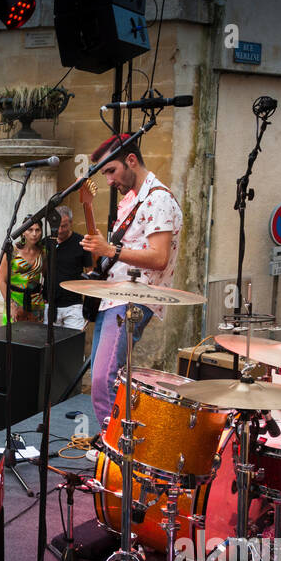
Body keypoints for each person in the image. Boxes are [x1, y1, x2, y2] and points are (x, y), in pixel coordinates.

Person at [80, 134, 182, 430]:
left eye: (111, 171)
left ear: (132, 160)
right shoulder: (131, 201)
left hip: (133, 299)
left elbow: (159, 257)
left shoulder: (158, 198)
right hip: (114, 296)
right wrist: (103, 250)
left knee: (103, 379)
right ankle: (118, 448)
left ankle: (120, 458)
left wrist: (110, 249)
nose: (109, 180)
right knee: (105, 379)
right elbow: (114, 257)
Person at [47, 205, 92, 330]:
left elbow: (90, 272)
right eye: (57, 226)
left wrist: (90, 304)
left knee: (73, 344)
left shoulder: (81, 242)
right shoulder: (48, 241)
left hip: (74, 306)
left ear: (71, 223)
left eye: (64, 226)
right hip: (50, 305)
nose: (60, 230)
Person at [0, 219, 45, 324]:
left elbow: (46, 275)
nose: (34, 234)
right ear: (23, 232)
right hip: (15, 299)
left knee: (34, 337)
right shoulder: (12, 252)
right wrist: (10, 304)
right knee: (12, 336)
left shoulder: (43, 252)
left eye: (38, 230)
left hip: (35, 301)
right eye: (30, 230)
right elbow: (1, 280)